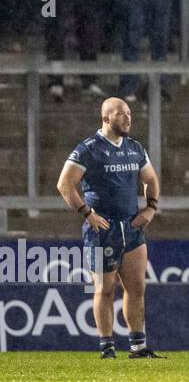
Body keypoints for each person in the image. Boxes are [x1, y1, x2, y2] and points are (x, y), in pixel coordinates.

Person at [56, 97, 163, 358]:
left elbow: (150, 178)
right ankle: (107, 347)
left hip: (132, 228)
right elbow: (64, 184)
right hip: (102, 230)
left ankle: (138, 346)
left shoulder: (135, 148)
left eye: (129, 113)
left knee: (136, 288)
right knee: (105, 289)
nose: (128, 118)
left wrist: (150, 207)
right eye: (121, 114)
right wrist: (87, 213)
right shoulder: (88, 149)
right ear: (106, 118)